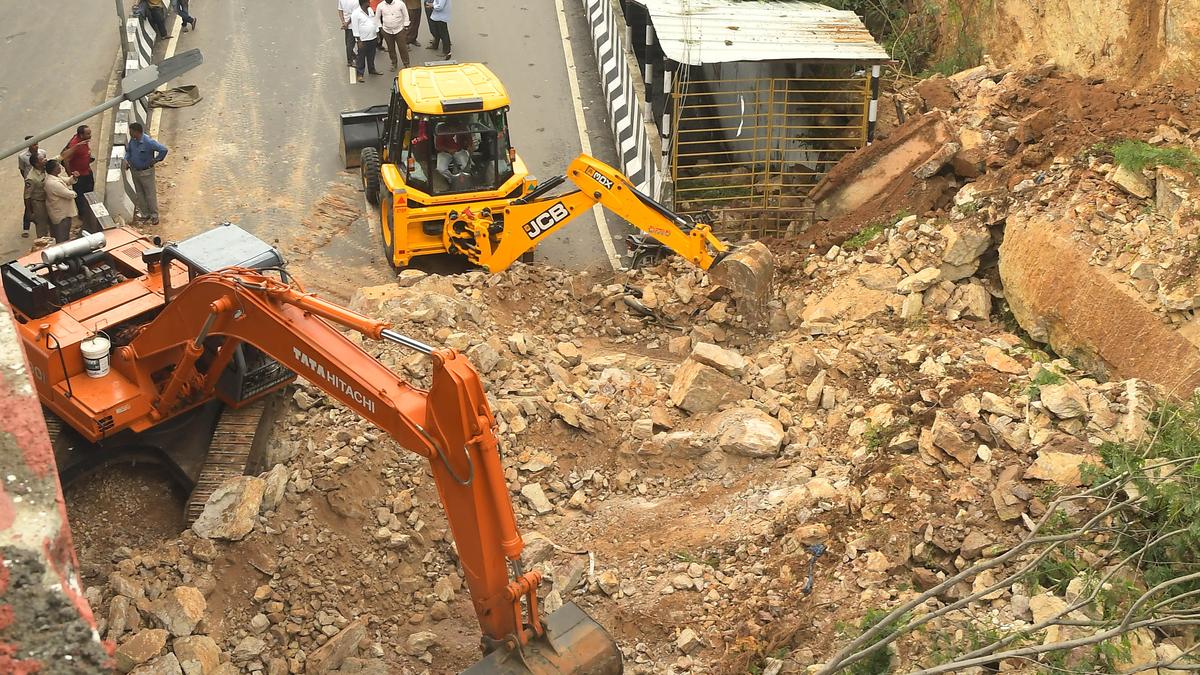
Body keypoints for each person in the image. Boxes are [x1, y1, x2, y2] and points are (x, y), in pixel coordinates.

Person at [125, 122, 169, 225]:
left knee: (150, 195)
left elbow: (163, 149)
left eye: (131, 132)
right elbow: (129, 151)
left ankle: (154, 216)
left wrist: (156, 160)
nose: (130, 133)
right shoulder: (133, 140)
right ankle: (145, 214)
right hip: (135, 171)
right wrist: (126, 160)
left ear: (136, 132)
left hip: (146, 172)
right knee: (140, 194)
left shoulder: (148, 142)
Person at [60, 126, 94, 221]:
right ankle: (83, 216)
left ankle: (89, 212)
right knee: (80, 197)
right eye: (88, 134)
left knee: (90, 193)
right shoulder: (75, 145)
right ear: (81, 135)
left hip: (87, 171)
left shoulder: (83, 141)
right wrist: (70, 174)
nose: (90, 135)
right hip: (80, 176)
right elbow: (65, 159)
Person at [17, 137, 47, 238]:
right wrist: (27, 179)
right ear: (28, 145)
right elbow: (22, 169)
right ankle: (26, 227)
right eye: (34, 144)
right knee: (29, 204)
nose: (36, 146)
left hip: (41, 180)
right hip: (32, 182)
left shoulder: (42, 153)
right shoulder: (22, 156)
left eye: (37, 143)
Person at [43, 160, 78, 243]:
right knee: (62, 237)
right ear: (54, 169)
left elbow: (68, 181)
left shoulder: (56, 177)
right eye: (58, 166)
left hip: (61, 212)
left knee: (61, 234)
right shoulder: (53, 183)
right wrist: (74, 192)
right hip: (61, 214)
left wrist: (74, 177)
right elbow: (69, 194)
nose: (60, 167)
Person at [351, 0, 382, 83]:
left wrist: (377, 33)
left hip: (373, 38)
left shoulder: (370, 10)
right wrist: (358, 40)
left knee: (371, 56)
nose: (369, 3)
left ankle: (372, 70)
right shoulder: (356, 13)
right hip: (363, 40)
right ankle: (360, 74)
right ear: (363, 3)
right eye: (368, 2)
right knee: (361, 58)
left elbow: (374, 22)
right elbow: (355, 28)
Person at [377, 0, 411, 70]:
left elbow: (406, 15)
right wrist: (380, 29)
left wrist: (406, 26)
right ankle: (394, 63)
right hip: (387, 31)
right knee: (391, 48)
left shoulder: (400, 3)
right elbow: (377, 18)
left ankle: (406, 63)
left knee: (403, 48)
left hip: (399, 30)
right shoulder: (380, 5)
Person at [23, 154, 50, 239]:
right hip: (39, 204)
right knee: (42, 227)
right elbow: (27, 196)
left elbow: (60, 157)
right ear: (37, 164)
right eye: (42, 159)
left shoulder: (45, 168)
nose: (45, 159)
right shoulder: (31, 178)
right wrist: (29, 212)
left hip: (48, 200)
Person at [338, 0, 358, 67]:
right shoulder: (356, 1)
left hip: (346, 24)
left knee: (348, 42)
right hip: (354, 24)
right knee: (350, 44)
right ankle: (350, 61)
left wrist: (343, 22)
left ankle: (353, 56)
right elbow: (354, 15)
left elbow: (340, 10)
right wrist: (347, 24)